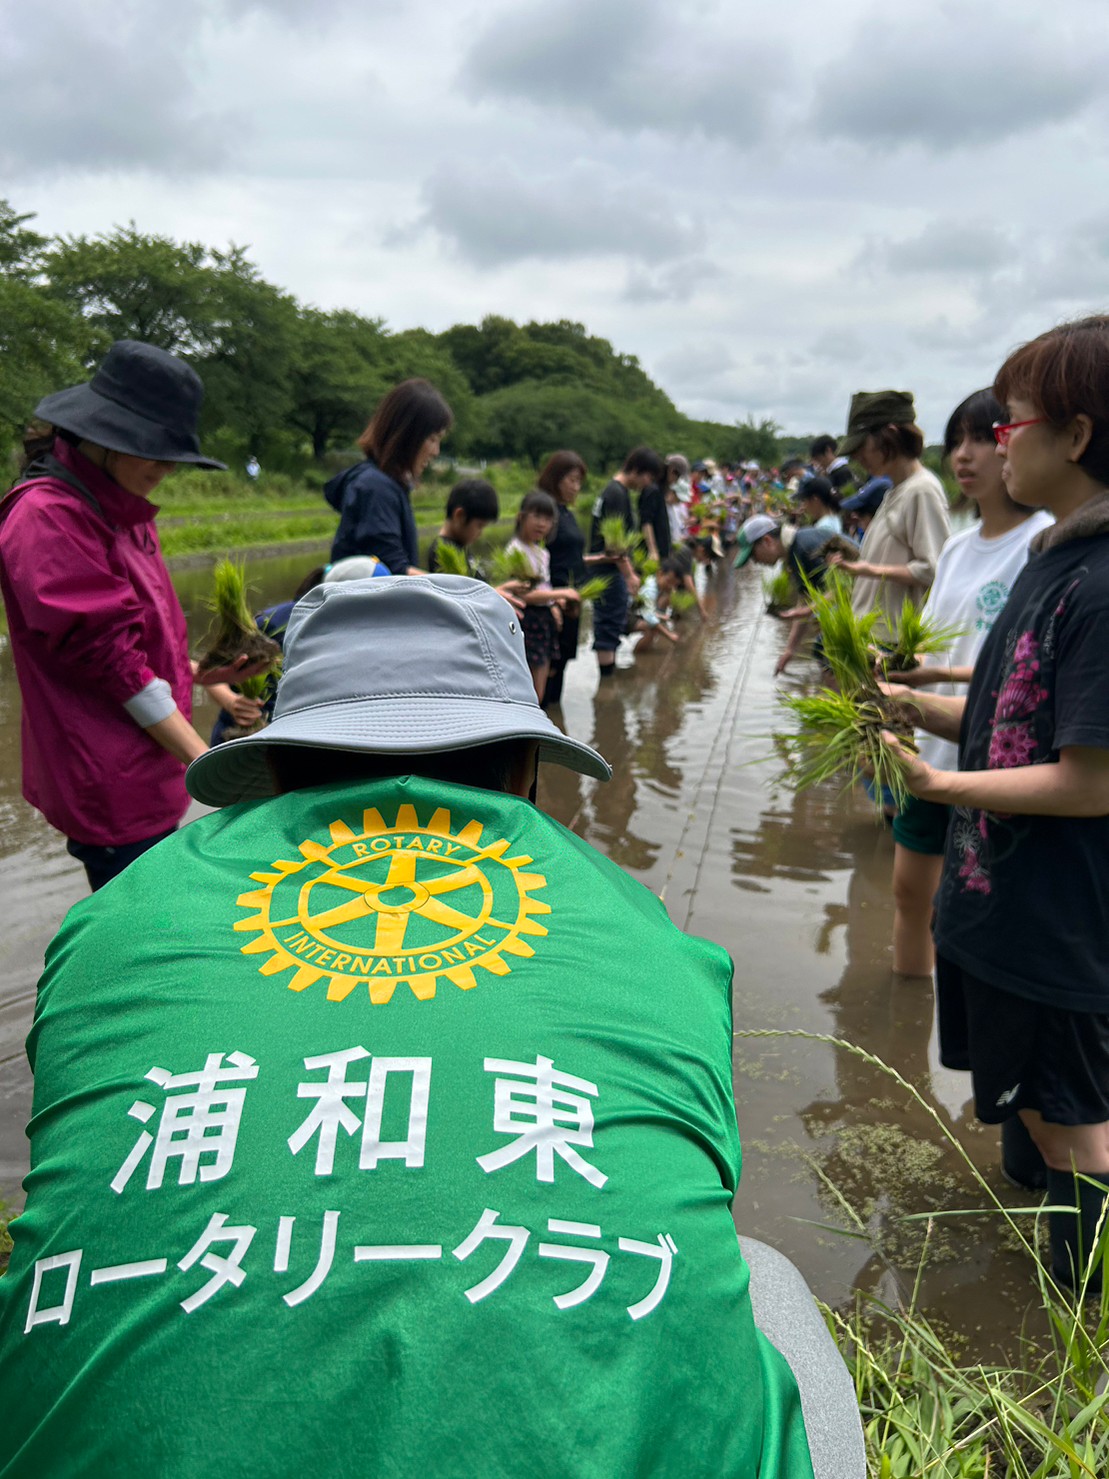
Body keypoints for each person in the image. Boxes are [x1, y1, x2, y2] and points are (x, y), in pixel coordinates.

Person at [0, 575, 866, 1477]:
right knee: (762, 1271)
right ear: (526, 772)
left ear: (278, 771)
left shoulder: (116, 917)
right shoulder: (647, 934)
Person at [885, 316, 1109, 1293]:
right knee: (1028, 1124)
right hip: (996, 903)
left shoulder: (1099, 585)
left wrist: (937, 784)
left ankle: (1079, 1322)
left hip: (1054, 921)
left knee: (1072, 1128)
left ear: (1077, 435)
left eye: (1010, 422)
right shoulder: (1050, 558)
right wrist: (912, 708)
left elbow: (1090, 779)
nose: (995, 441)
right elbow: (1004, 715)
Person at [0, 340, 259, 892]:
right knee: (148, 919)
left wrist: (202, 673)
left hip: (152, 765)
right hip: (110, 779)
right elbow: (113, 665)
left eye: (172, 455)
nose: (166, 468)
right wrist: (212, 768)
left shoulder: (121, 506)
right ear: (103, 436)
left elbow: (138, 651)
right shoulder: (49, 517)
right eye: (153, 451)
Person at [886, 390, 1052, 982]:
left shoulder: (1043, 543)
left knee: (978, 913)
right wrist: (889, 675)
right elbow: (929, 646)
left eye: (982, 437)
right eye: (956, 440)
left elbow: (1031, 671)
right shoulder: (956, 548)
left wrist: (933, 679)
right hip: (931, 750)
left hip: (998, 767)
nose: (964, 454)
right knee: (908, 892)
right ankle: (906, 1014)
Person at [826, 391, 951, 640]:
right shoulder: (894, 490)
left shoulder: (922, 491)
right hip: (871, 638)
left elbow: (935, 570)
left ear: (890, 434)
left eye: (861, 447)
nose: (857, 457)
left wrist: (869, 569)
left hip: (891, 643)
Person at [325, 378, 451, 574]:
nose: (436, 451)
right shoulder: (376, 488)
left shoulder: (383, 484)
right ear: (407, 436)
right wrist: (465, 589)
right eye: (432, 439)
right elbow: (395, 573)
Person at [588, 448, 660, 676]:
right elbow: (615, 544)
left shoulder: (614, 491)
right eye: (648, 477)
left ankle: (608, 675)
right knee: (608, 623)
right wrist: (629, 574)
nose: (648, 483)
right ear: (637, 470)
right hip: (607, 570)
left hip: (606, 569)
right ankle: (607, 678)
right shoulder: (616, 494)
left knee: (611, 621)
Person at [734, 514, 834, 675]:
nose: (755, 562)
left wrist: (809, 610)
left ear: (767, 541)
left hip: (871, 604)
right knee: (822, 650)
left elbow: (845, 588)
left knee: (827, 653)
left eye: (753, 555)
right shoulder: (795, 550)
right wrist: (789, 650)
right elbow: (805, 599)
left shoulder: (804, 548)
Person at [505, 490, 581, 701]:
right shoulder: (515, 550)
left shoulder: (542, 553)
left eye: (548, 519)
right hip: (527, 621)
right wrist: (561, 593)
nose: (542, 524)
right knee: (530, 686)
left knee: (542, 682)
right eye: (537, 516)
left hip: (544, 621)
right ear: (521, 517)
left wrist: (554, 604)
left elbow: (544, 587)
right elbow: (522, 594)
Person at [537, 450, 588, 707]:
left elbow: (572, 555)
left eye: (580, 482)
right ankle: (544, 718)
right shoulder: (545, 513)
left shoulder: (566, 513)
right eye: (572, 480)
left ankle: (556, 720)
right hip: (553, 600)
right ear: (556, 478)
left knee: (564, 659)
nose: (576, 487)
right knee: (549, 665)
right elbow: (535, 559)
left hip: (571, 600)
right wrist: (552, 600)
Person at [426, 478, 500, 576]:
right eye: (479, 526)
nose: (480, 533)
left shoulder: (460, 546)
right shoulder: (443, 552)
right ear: (459, 516)